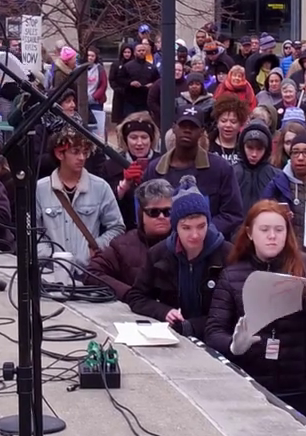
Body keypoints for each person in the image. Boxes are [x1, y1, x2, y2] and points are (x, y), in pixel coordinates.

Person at [204, 201, 306, 417]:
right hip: (250, 384)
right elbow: (214, 331)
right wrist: (233, 346)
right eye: (264, 230)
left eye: (279, 230)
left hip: (299, 386)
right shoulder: (232, 274)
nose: (272, 236)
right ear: (250, 233)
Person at [127, 189, 228, 340]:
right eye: (186, 228)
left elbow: (233, 311)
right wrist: (164, 311)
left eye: (201, 226)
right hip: (172, 335)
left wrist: (192, 326)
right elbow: (136, 296)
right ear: (175, 227)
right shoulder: (158, 254)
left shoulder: (227, 254)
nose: (195, 235)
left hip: (216, 337)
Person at [141, 107, 245, 237]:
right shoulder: (154, 169)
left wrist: (200, 231)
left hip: (208, 243)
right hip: (163, 243)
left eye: (193, 127)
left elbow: (233, 214)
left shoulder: (220, 168)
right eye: (183, 125)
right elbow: (143, 212)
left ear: (202, 131)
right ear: (174, 128)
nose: (187, 130)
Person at [38, 125, 125, 271]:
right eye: (75, 152)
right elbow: (32, 231)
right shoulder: (41, 189)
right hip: (50, 271)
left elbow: (117, 227)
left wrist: (96, 248)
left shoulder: (100, 186)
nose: (82, 158)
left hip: (88, 271)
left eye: (85, 152)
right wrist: (49, 255)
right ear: (59, 154)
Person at [87, 180, 172, 300]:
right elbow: (91, 273)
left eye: (167, 212)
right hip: (135, 308)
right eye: (154, 212)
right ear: (141, 214)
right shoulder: (122, 245)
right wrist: (128, 293)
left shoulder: (183, 242)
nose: (162, 217)